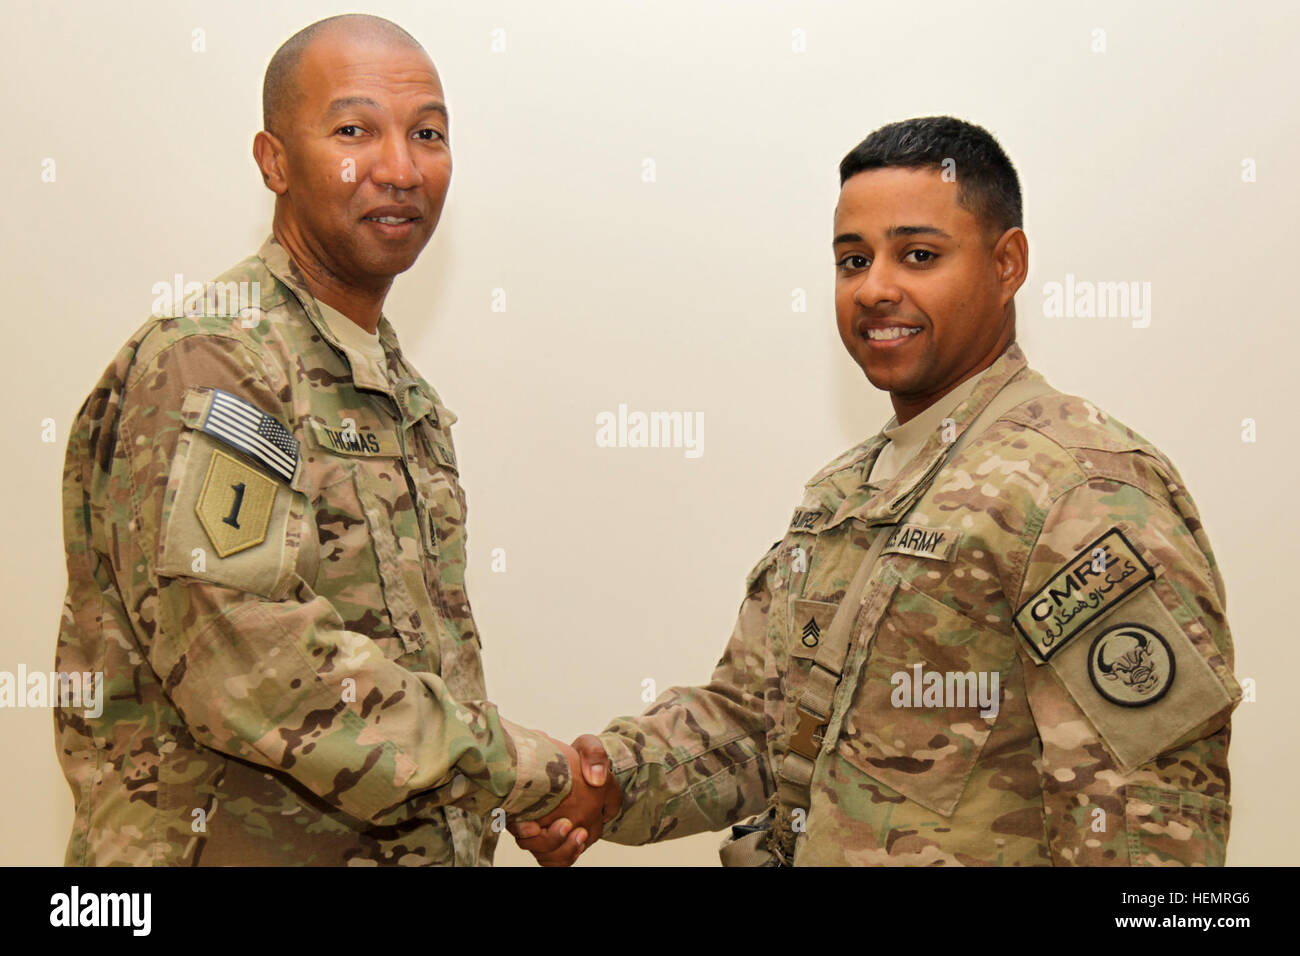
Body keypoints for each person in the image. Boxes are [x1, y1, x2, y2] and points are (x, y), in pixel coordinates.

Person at [513, 116, 1242, 866]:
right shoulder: (845, 494)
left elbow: (1145, 824)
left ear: (1007, 263)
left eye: (919, 255)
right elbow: (757, 726)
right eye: (852, 260)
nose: (875, 289)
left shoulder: (1076, 489)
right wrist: (597, 783)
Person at [54, 13, 618, 866]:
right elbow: (254, 671)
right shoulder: (221, 358)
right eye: (354, 130)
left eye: (427, 134)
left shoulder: (394, 390)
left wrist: (489, 798)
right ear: (275, 160)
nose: (399, 167)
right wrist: (523, 770)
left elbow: (411, 669)